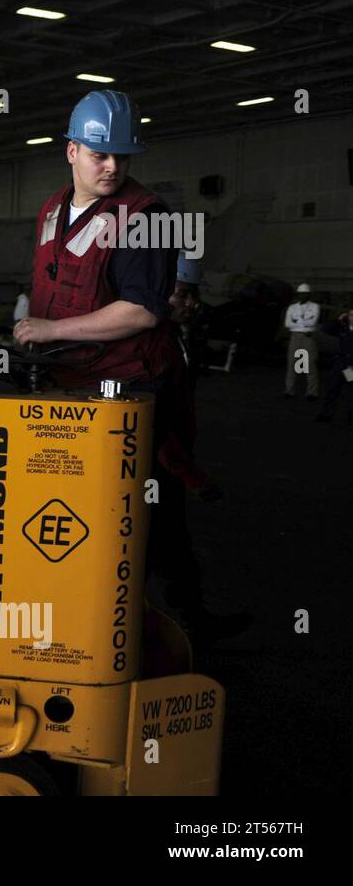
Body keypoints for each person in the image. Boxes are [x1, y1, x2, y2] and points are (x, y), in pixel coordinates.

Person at [13, 90, 180, 391]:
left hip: (122, 382)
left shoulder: (149, 216)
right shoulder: (52, 209)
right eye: (100, 155)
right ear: (72, 152)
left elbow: (142, 312)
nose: (113, 167)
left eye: (122, 157)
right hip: (58, 373)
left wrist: (52, 330)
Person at [148, 252, 252, 647]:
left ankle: (191, 622)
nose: (192, 303)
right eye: (183, 294)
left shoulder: (173, 339)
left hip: (167, 467)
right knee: (161, 549)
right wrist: (190, 475)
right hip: (157, 469)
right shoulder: (155, 345)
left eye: (193, 296)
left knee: (169, 551)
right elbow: (156, 424)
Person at [281, 282, 320, 399]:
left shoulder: (315, 306)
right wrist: (305, 322)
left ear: (309, 295)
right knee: (291, 364)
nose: (303, 296)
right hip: (295, 337)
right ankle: (289, 390)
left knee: (310, 364)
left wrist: (296, 321)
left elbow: (313, 322)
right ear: (298, 294)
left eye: (305, 294)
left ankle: (312, 392)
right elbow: (287, 324)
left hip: (308, 338)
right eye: (301, 294)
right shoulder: (292, 307)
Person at [315, 308, 353, 424]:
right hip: (341, 362)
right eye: (351, 314)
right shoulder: (343, 327)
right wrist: (338, 319)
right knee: (332, 388)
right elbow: (327, 329)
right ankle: (326, 413)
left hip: (350, 366)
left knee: (351, 391)